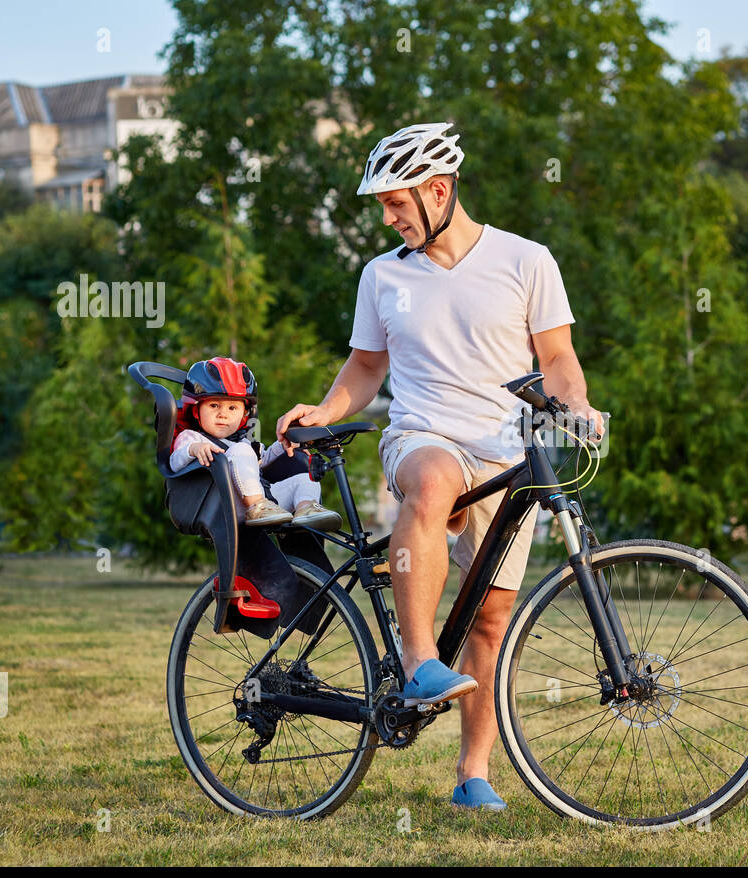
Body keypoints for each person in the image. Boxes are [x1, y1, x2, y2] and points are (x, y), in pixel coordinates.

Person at [276, 122, 603, 811]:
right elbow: (367, 367)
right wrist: (325, 410)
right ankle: (421, 662)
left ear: (439, 189)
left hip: (505, 452)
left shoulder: (526, 260)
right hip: (422, 433)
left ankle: (472, 775)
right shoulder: (383, 275)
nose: (388, 217)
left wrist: (575, 403)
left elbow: (558, 358)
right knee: (430, 483)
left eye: (396, 203)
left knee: (491, 623)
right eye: (384, 207)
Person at [171, 356, 341, 529]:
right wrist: (193, 449)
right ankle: (256, 506)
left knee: (305, 478)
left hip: (268, 503)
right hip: (223, 505)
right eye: (214, 405)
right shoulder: (192, 438)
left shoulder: (245, 442)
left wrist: (282, 445)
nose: (223, 414)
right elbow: (174, 463)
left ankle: (306, 509)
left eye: (232, 408)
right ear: (196, 411)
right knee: (242, 451)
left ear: (244, 414)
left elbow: (262, 462)